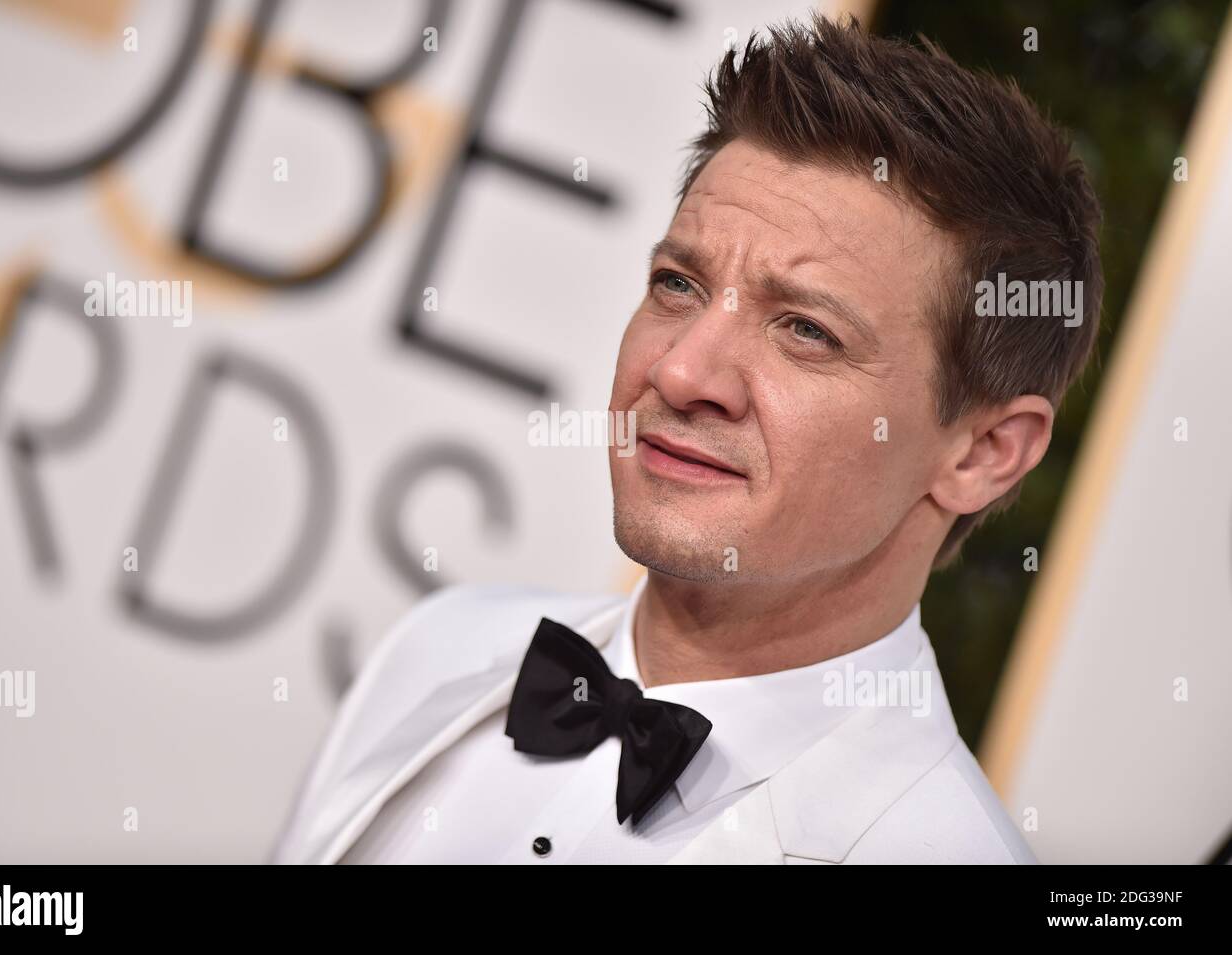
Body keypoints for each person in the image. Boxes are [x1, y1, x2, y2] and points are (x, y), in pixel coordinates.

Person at [273, 13, 1101, 864]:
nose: (681, 374)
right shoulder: (441, 651)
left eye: (806, 331)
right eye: (678, 283)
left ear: (983, 453)